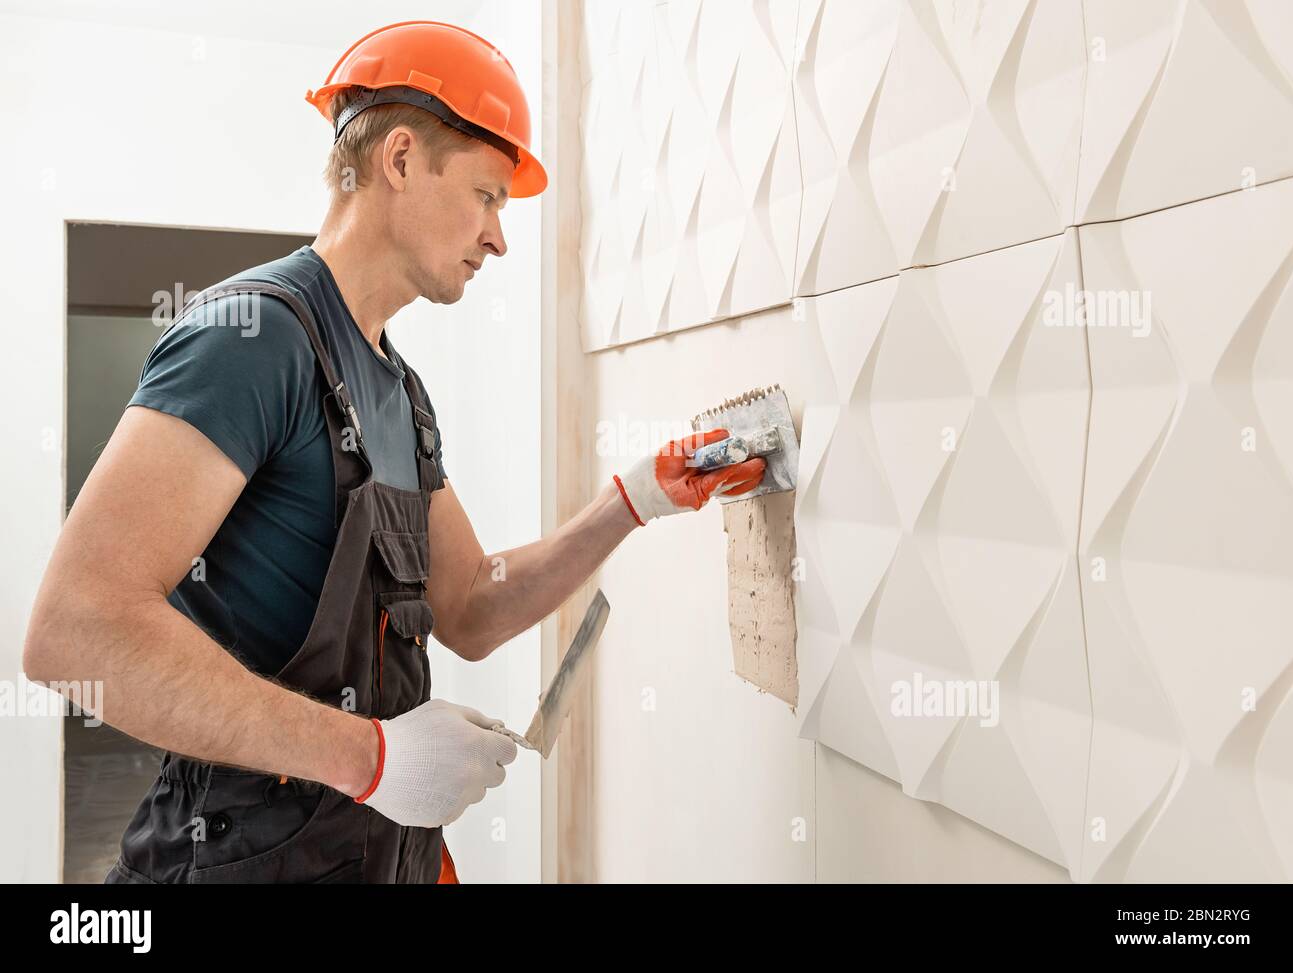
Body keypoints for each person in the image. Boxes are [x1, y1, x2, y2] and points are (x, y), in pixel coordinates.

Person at [22, 20, 765, 884]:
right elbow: (74, 632)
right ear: (401, 159)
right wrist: (372, 756)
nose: (499, 237)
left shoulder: (400, 391)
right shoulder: (253, 337)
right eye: (489, 195)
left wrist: (632, 500)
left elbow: (470, 608)